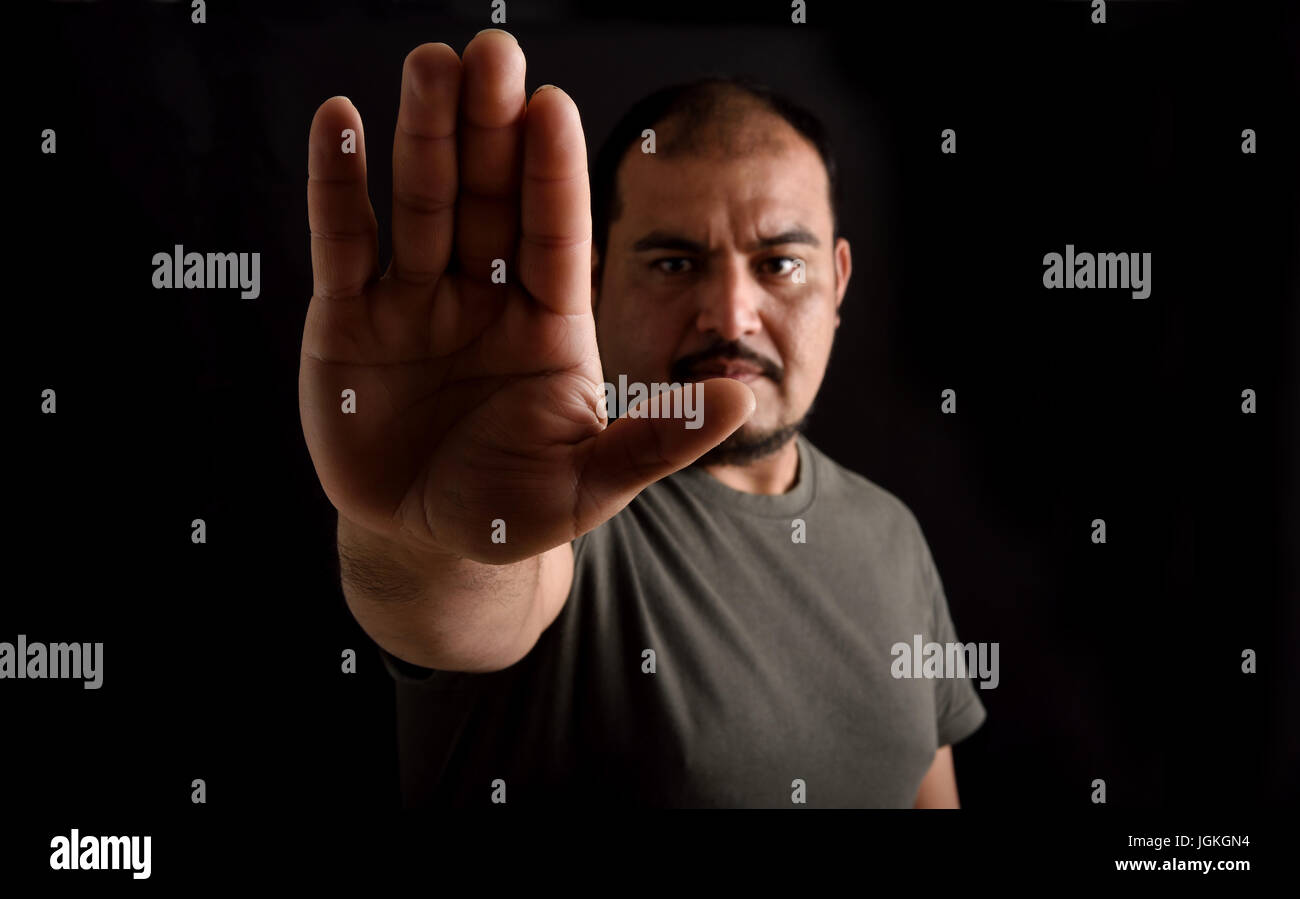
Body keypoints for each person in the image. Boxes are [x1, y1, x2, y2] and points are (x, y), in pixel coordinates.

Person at [299, 27, 986, 808]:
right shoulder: (552, 517)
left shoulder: (892, 533)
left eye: (779, 264)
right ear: (593, 282)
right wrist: (422, 538)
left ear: (837, 282)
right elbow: (454, 596)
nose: (730, 314)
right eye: (673, 263)